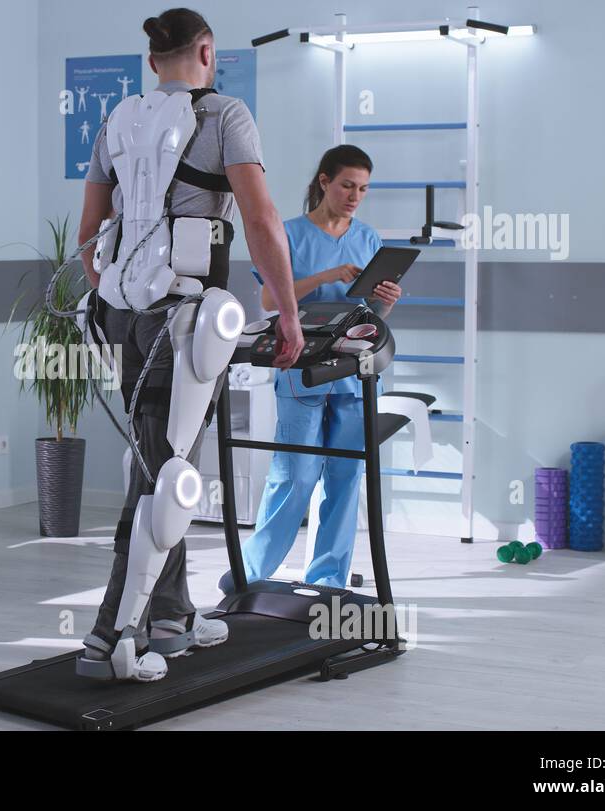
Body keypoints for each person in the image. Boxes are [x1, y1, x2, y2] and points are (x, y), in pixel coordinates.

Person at [75, 7, 304, 682]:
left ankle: (171, 616)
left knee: (163, 461)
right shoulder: (227, 115)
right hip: (186, 319)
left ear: (153, 61)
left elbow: (90, 231)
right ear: (207, 51)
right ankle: (105, 638)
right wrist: (286, 310)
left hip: (123, 316)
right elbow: (261, 219)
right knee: (165, 475)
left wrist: (120, 293)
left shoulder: (116, 120)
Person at [219, 144, 402, 594]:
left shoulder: (368, 238)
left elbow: (370, 316)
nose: (355, 195)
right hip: (301, 364)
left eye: (362, 189)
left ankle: (328, 581)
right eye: (346, 185)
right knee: (296, 474)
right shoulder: (288, 234)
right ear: (324, 181)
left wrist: (386, 303)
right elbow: (266, 301)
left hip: (353, 370)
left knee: (345, 476)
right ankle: (252, 572)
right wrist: (324, 277)